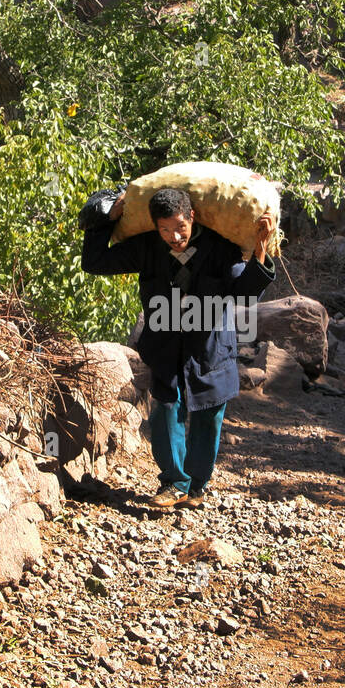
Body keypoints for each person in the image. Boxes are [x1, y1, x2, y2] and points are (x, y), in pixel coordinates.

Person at [82, 186, 276, 508]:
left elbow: (244, 294)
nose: (174, 237)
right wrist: (105, 218)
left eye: (180, 228)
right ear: (155, 227)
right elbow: (95, 261)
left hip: (209, 346)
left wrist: (260, 249)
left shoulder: (219, 248)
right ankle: (174, 482)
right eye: (165, 230)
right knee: (166, 410)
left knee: (209, 417)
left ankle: (196, 487)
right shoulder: (146, 247)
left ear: (192, 217)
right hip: (166, 344)